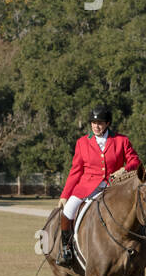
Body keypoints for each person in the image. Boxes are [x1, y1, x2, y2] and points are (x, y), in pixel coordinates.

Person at [55, 105, 141, 267]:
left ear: (108, 123)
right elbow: (75, 171)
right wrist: (65, 195)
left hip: (114, 188)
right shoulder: (82, 143)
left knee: (138, 210)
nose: (96, 126)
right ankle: (66, 249)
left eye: (100, 123)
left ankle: (143, 252)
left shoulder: (121, 140)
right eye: (93, 123)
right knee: (68, 211)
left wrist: (124, 168)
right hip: (87, 187)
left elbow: (135, 161)